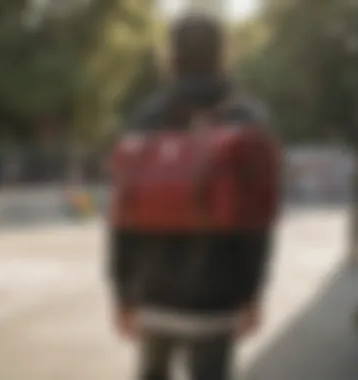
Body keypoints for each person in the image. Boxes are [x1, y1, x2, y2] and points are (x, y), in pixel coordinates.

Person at [107, 13, 278, 380]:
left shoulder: (145, 118)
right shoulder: (247, 118)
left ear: (169, 55)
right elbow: (258, 223)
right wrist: (253, 294)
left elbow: (122, 215)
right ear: (225, 54)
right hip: (217, 298)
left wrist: (122, 294)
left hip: (152, 292)